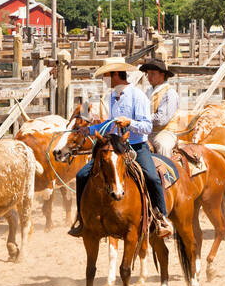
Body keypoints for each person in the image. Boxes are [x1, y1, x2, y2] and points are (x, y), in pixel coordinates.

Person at [69, 57, 173, 240]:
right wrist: (89, 130)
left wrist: (129, 122)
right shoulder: (111, 97)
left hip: (136, 145)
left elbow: (147, 126)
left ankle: (161, 218)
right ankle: (82, 219)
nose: (103, 80)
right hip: (114, 146)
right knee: (82, 175)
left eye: (106, 75)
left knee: (151, 176)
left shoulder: (138, 96)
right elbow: (109, 124)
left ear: (116, 74)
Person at [139, 58, 179, 157]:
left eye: (152, 73)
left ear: (162, 75)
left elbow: (162, 119)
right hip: (148, 132)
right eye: (148, 74)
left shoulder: (169, 93)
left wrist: (141, 118)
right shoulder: (148, 92)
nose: (149, 77)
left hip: (165, 132)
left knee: (162, 145)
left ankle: (168, 171)